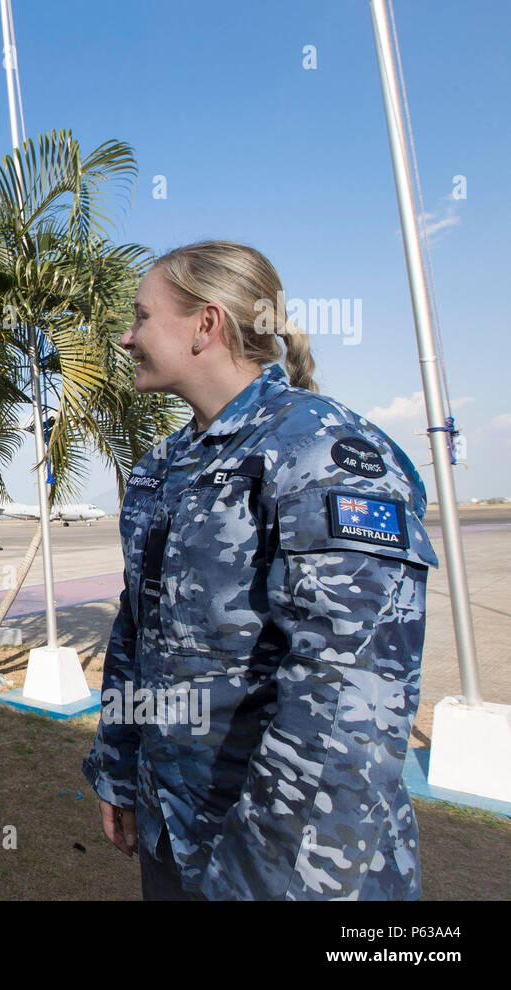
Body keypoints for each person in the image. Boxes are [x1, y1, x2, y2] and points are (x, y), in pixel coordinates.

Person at [81, 241, 437, 900]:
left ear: (205, 325)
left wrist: (260, 874)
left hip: (291, 863)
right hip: (175, 835)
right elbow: (139, 634)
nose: (127, 337)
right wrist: (121, 770)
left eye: (141, 318)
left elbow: (347, 696)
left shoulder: (321, 453)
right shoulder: (163, 468)